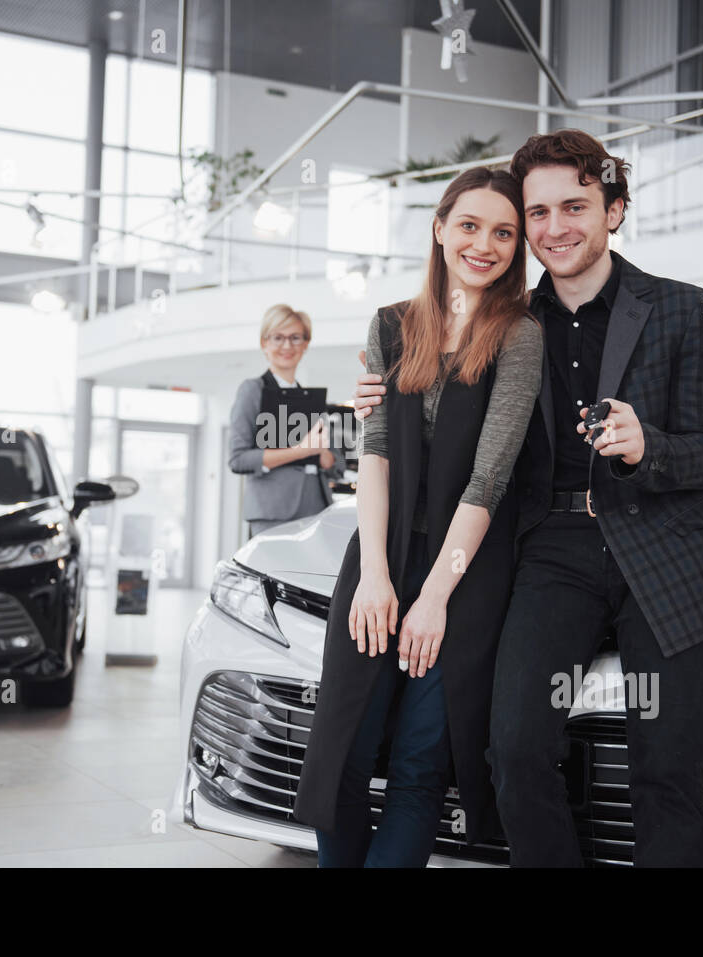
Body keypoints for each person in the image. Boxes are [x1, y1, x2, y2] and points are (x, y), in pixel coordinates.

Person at [353, 129, 703, 867]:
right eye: (537, 213)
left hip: (667, 547)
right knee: (516, 750)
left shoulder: (685, 309)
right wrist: (375, 399)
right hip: (551, 551)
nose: (554, 227)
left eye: (575, 205)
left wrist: (647, 446)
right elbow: (441, 425)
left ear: (615, 210)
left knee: (666, 768)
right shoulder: (506, 324)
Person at [293, 167, 543, 867]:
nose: (484, 244)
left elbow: (490, 476)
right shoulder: (391, 326)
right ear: (439, 228)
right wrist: (376, 573)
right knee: (339, 753)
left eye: (503, 232)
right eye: (470, 225)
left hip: (466, 570)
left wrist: (434, 597)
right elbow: (374, 454)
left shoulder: (519, 335)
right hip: (381, 554)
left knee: (419, 764)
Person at [228, 304, 344, 537]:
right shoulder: (253, 391)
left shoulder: (311, 399)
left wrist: (324, 455)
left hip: (317, 509)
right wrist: (301, 451)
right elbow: (238, 459)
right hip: (273, 512)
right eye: (278, 338)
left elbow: (337, 465)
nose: (287, 346)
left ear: (305, 344)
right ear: (264, 343)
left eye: (295, 338)